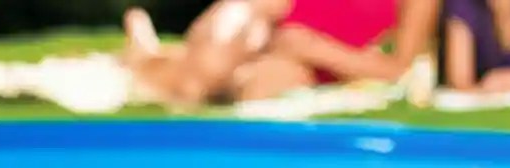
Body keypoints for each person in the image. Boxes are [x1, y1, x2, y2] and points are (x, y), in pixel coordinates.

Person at [122, 0, 441, 105]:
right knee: (205, 73)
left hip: (308, 60)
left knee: (254, 90)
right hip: (275, 27)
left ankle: (154, 55)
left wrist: (315, 49)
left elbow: (400, 70)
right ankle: (144, 56)